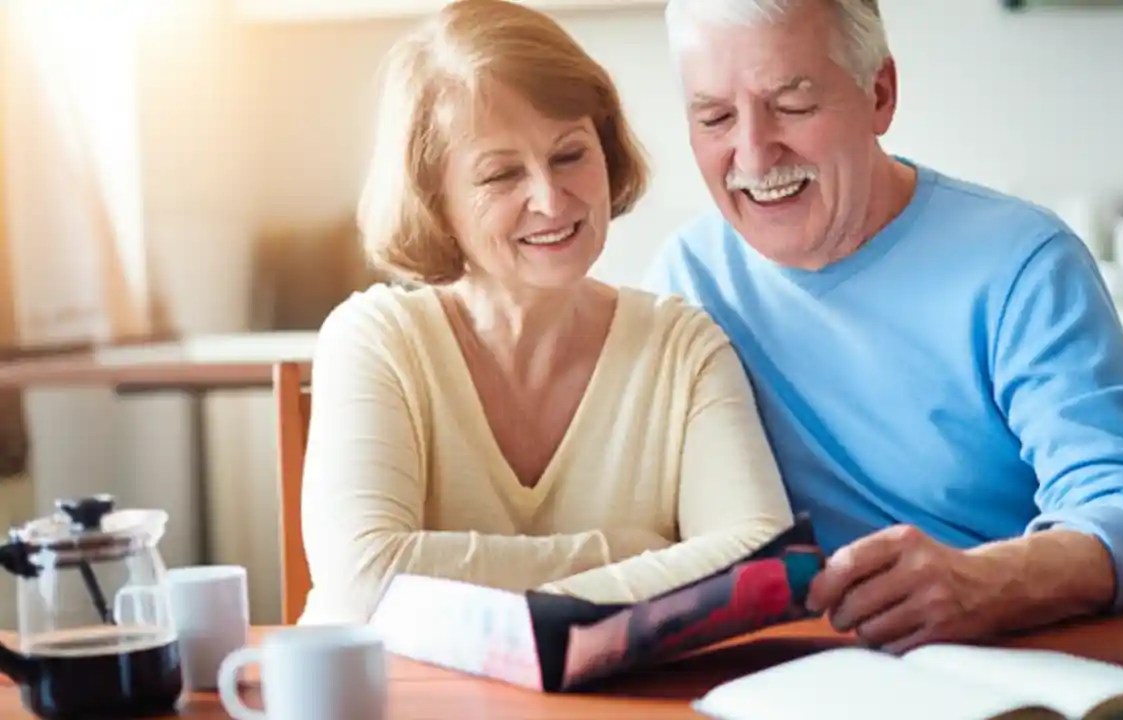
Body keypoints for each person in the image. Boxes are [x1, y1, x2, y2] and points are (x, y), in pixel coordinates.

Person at [646, 0, 1123, 652]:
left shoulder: (1021, 262)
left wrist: (987, 582)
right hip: (782, 675)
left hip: (1002, 667)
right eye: (715, 118)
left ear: (879, 94)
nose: (756, 156)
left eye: (792, 106)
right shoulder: (685, 280)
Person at [296, 0, 793, 625]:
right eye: (501, 174)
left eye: (569, 155)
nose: (550, 198)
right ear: (435, 202)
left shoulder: (682, 347)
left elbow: (756, 559)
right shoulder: (376, 340)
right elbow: (365, 579)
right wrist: (633, 554)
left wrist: (472, 585)